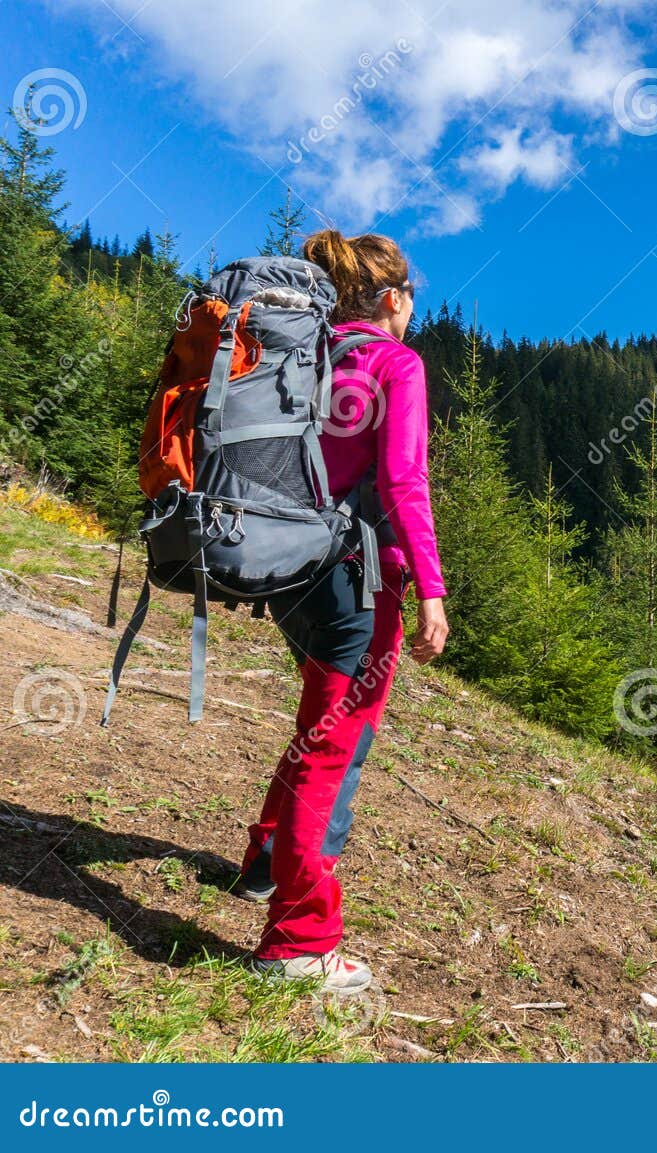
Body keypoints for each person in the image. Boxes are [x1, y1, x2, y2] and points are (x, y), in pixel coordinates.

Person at [237, 229, 449, 993]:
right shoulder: (395, 361)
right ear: (392, 299)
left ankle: (266, 858)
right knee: (334, 748)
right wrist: (432, 590)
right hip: (355, 583)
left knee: (319, 728)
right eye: (412, 299)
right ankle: (300, 939)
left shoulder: (306, 351)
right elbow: (403, 482)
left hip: (282, 569)